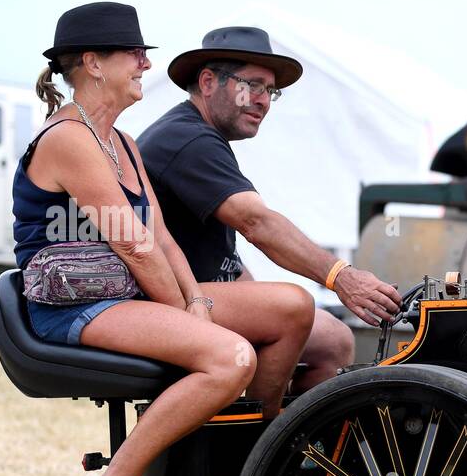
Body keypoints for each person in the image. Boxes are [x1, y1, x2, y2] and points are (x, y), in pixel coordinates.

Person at [18, 2, 315, 476]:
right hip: (76, 305)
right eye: (134, 54)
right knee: (229, 358)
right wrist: (188, 314)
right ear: (93, 63)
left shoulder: (122, 143)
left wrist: (195, 302)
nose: (145, 65)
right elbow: (133, 245)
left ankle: (253, 460)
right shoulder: (68, 138)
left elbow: (163, 239)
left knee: (292, 308)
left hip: (122, 295)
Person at [137, 27, 401, 392]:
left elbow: (222, 255)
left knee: (333, 340)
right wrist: (342, 276)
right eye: (254, 85)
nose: (263, 100)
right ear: (209, 81)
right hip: (167, 300)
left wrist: (259, 299)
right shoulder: (189, 139)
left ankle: (288, 439)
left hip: (196, 291)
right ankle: (265, 443)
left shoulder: (196, 135)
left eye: (271, 91)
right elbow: (255, 221)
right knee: (294, 307)